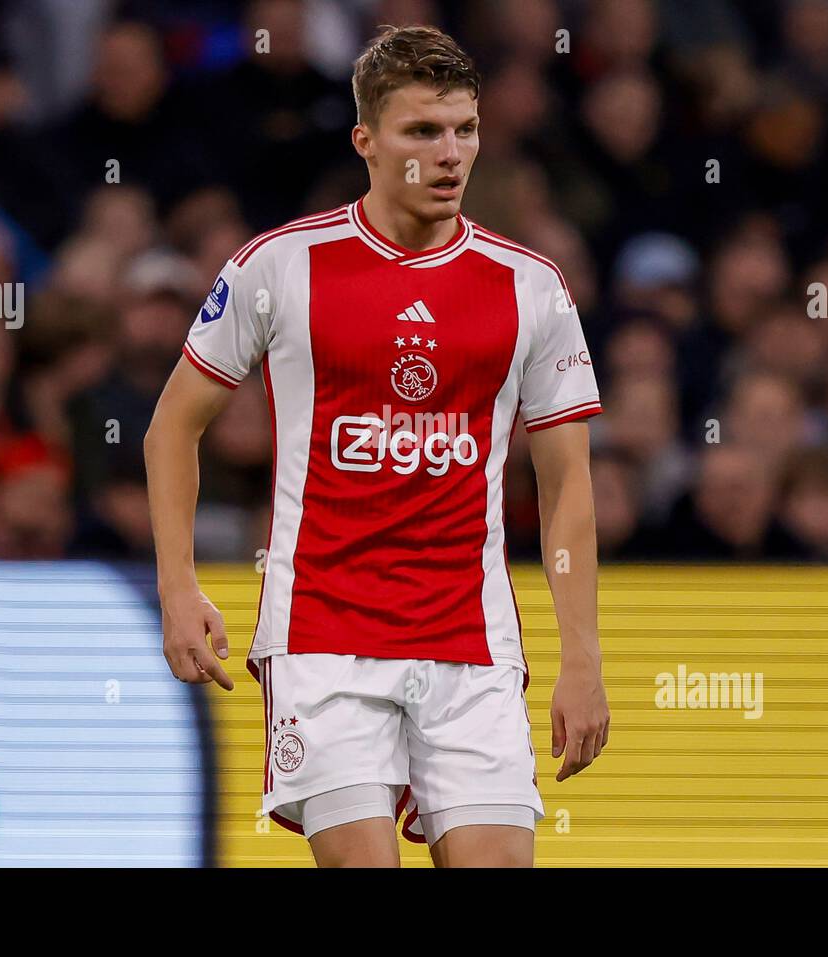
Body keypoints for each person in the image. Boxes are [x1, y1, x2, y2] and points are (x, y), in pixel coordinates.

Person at [145, 25, 609, 868]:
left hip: (470, 636)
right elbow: (172, 425)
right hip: (324, 631)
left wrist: (583, 658)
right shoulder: (278, 267)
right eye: (422, 132)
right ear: (366, 140)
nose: (449, 153)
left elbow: (568, 481)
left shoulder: (531, 287)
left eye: (464, 130)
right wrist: (177, 586)